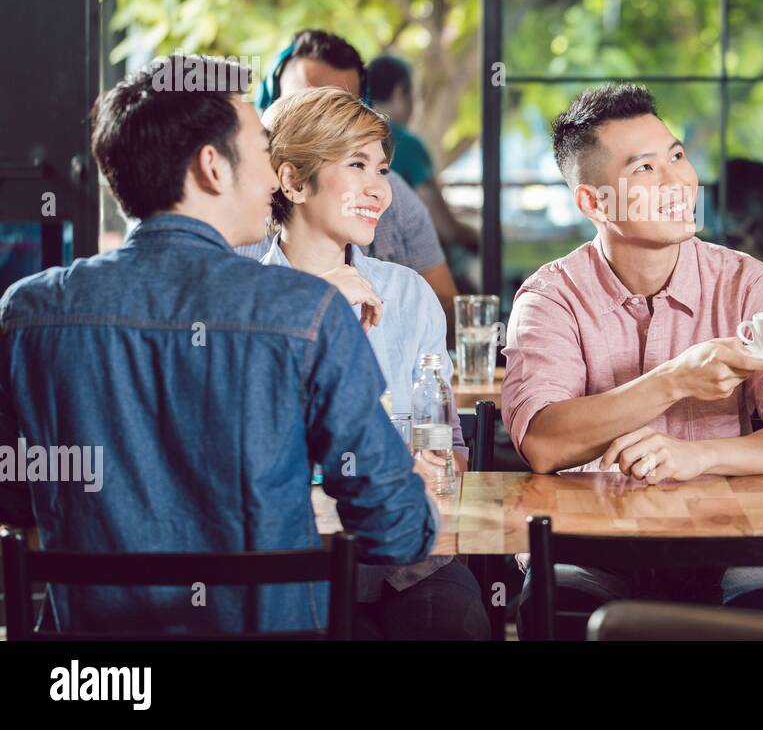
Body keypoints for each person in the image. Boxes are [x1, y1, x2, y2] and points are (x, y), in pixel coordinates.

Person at [0, 55, 438, 634]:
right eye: (261, 149)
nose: (272, 175)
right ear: (213, 167)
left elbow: (14, 501)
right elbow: (396, 526)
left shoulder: (29, 312)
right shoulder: (304, 311)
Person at [501, 83, 763, 639]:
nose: (677, 182)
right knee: (561, 610)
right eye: (644, 168)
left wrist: (700, 457)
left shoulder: (746, 284)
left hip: (726, 543)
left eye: (678, 156)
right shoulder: (551, 298)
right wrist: (674, 379)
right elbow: (543, 442)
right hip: (592, 547)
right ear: (594, 202)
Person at [259, 86, 488, 640]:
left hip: (406, 564)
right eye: (355, 164)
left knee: (455, 620)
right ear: (292, 181)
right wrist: (311, 310)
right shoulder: (246, 302)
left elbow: (449, 451)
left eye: (382, 169)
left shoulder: (408, 294)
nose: (378, 189)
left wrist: (435, 466)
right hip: (288, 567)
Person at [243, 30, 459, 323]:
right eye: (309, 102)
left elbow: (448, 311)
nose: (329, 117)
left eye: (381, 170)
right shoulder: (240, 279)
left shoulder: (408, 292)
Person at [367, 53, 480, 256]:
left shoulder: (350, 136)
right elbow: (446, 229)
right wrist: (480, 237)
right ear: (401, 92)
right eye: (417, 94)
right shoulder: (405, 144)